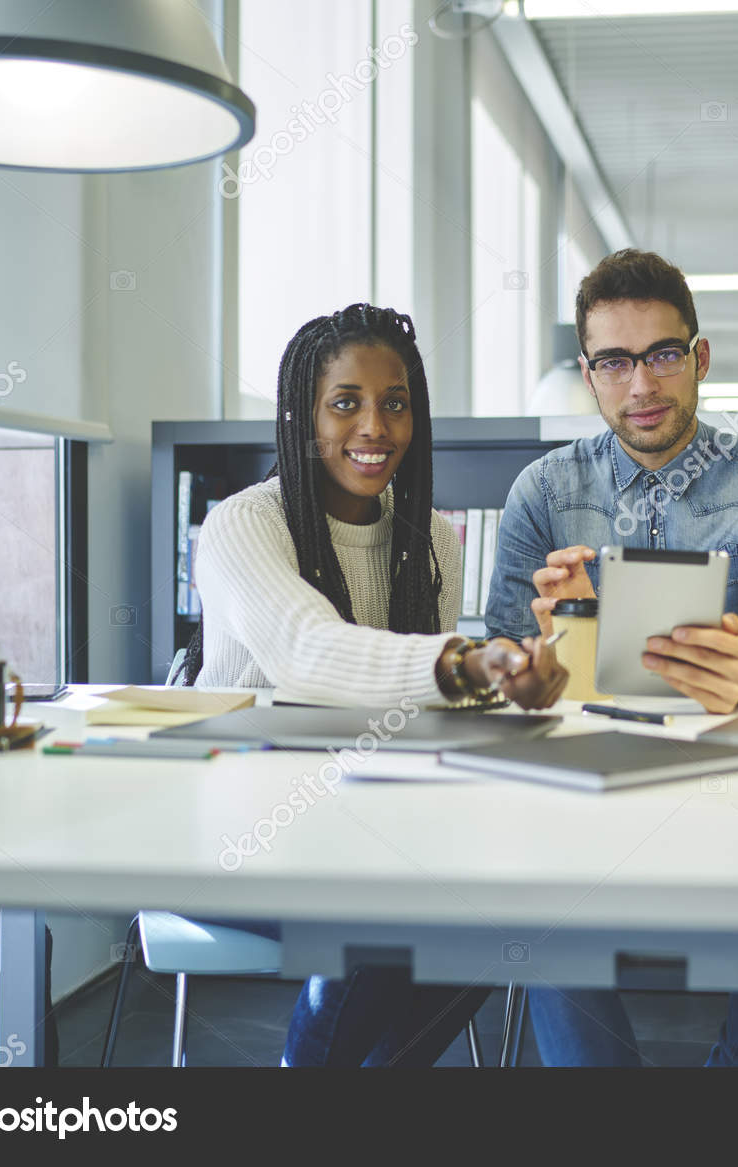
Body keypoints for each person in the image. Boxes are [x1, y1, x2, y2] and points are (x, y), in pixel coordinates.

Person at [187, 302, 567, 1066]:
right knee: (390, 919)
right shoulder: (242, 523)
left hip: (371, 819)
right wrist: (466, 664)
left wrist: (517, 677)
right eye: (345, 403)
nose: (375, 426)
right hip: (232, 829)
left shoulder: (427, 537)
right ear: (302, 415)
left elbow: (417, 702)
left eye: (395, 403)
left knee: (510, 912)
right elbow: (307, 651)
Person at [482, 249, 738, 1066]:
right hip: (582, 790)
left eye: (664, 355)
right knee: (543, 906)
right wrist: (543, 644)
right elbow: (501, 656)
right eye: (615, 362)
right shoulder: (542, 490)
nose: (642, 385)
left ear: (699, 358)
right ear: (591, 373)